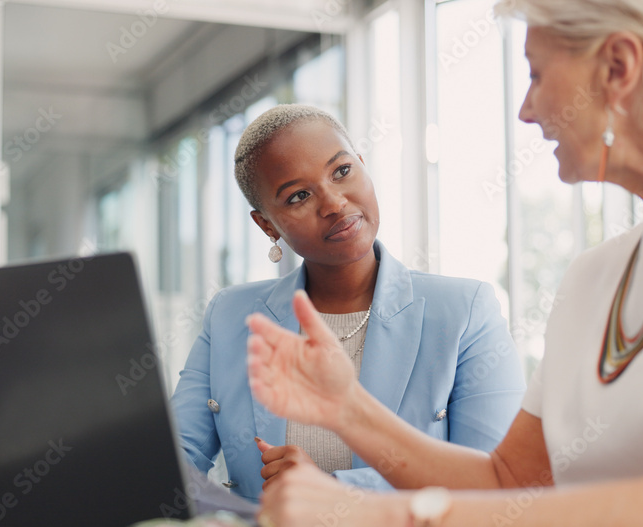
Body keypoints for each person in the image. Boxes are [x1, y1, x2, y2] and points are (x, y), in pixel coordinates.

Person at [245, 1, 643, 525]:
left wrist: (383, 514)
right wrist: (347, 408)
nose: (527, 109)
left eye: (537, 74)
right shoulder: (595, 275)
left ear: (617, 68)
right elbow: (510, 485)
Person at [170, 104, 526, 503]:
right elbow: (171, 467)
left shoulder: (464, 311)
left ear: (361, 163)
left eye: (341, 171)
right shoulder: (231, 316)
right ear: (267, 224)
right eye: (299, 196)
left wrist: (335, 491)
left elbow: (500, 487)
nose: (334, 203)